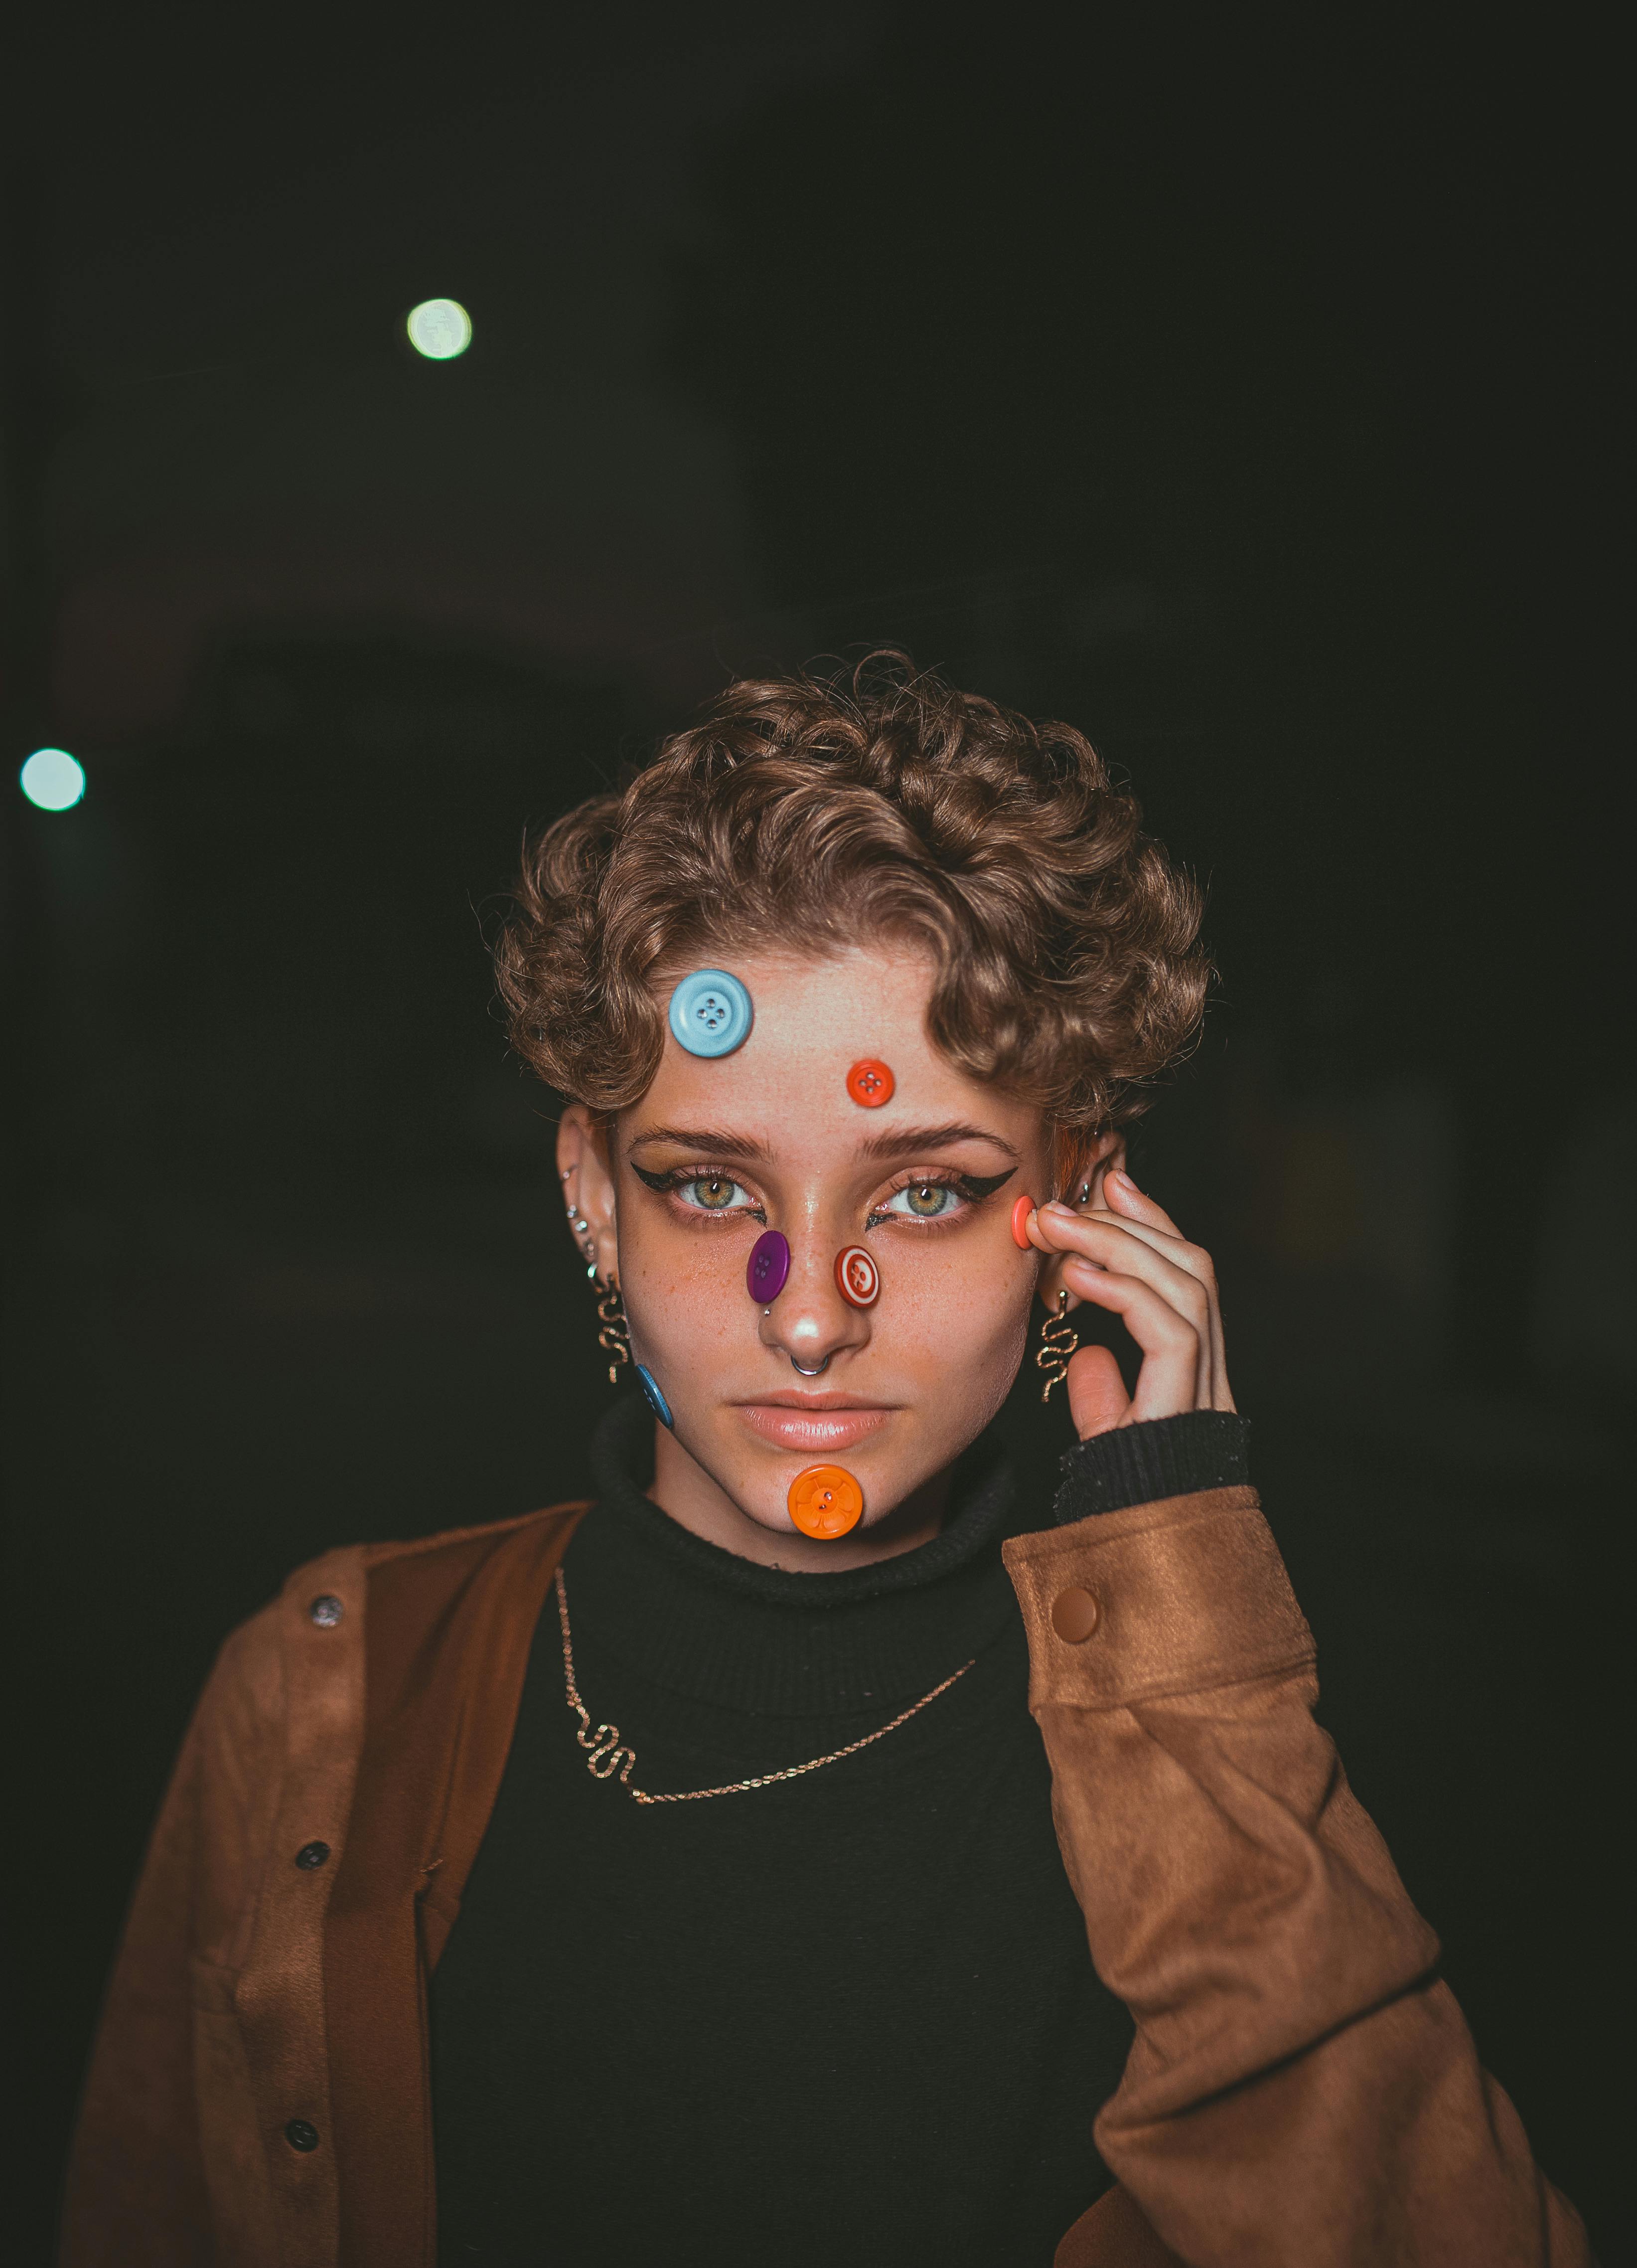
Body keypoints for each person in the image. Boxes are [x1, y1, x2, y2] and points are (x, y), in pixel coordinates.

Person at [61, 661, 1591, 2268]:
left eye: (924, 1193)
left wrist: (1187, 1604)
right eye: (712, 1189)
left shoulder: (1180, 1746)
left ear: (1081, 1203)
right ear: (592, 1193)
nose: (809, 1321)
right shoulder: (326, 1692)